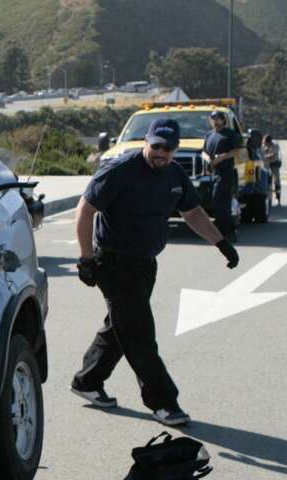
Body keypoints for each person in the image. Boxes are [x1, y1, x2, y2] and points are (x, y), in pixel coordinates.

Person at [70, 118, 239, 427]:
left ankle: (88, 381)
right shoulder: (119, 170)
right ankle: (164, 402)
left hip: (145, 263)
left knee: (120, 327)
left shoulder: (174, 174)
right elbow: (85, 210)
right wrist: (86, 259)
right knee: (139, 333)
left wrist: (221, 242)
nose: (162, 153)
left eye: (169, 148)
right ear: (146, 142)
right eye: (157, 146)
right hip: (115, 262)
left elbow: (192, 213)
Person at [204, 109, 243, 243]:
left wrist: (222, 157)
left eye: (218, 118)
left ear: (223, 120)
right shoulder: (209, 135)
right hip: (212, 173)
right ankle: (221, 233)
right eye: (213, 118)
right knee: (215, 204)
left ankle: (230, 232)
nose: (215, 121)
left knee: (220, 204)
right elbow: (204, 151)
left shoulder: (230, 134)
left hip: (225, 173)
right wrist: (208, 159)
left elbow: (237, 150)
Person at [262, 134, 282, 204]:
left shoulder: (275, 145)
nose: (264, 144)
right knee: (264, 179)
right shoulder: (263, 144)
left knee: (277, 180)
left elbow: (272, 155)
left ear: (269, 142)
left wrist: (263, 157)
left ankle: (278, 197)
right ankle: (266, 195)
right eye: (264, 143)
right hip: (266, 164)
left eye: (266, 143)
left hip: (274, 163)